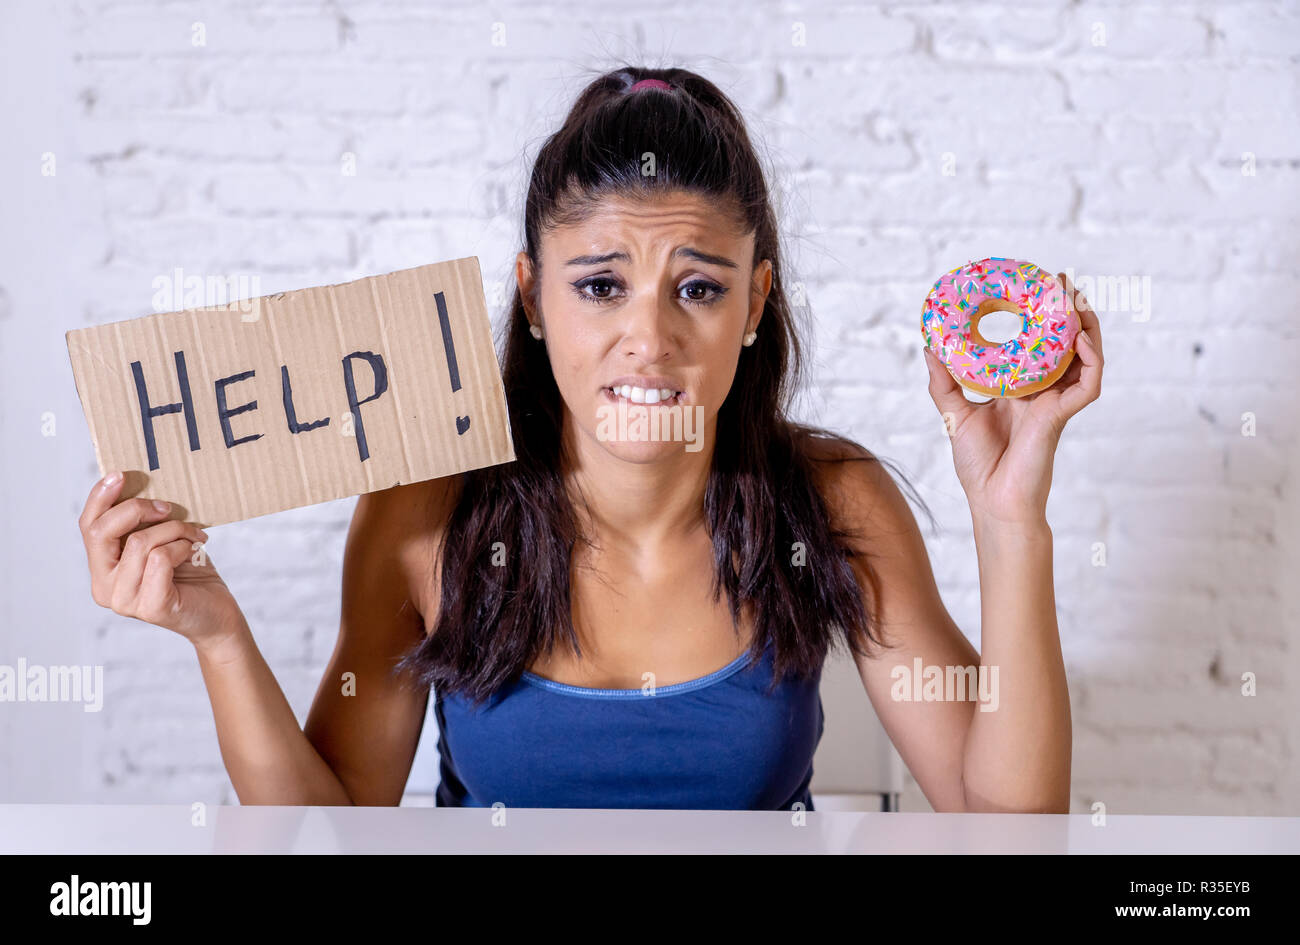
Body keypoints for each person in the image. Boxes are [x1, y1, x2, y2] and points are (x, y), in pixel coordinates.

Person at [76, 65, 1102, 812]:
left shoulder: (833, 502)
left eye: (697, 289)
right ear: (533, 297)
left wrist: (1009, 519)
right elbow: (328, 833)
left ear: (754, 304)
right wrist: (218, 634)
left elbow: (1007, 832)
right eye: (601, 285)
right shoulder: (425, 510)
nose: (647, 339)